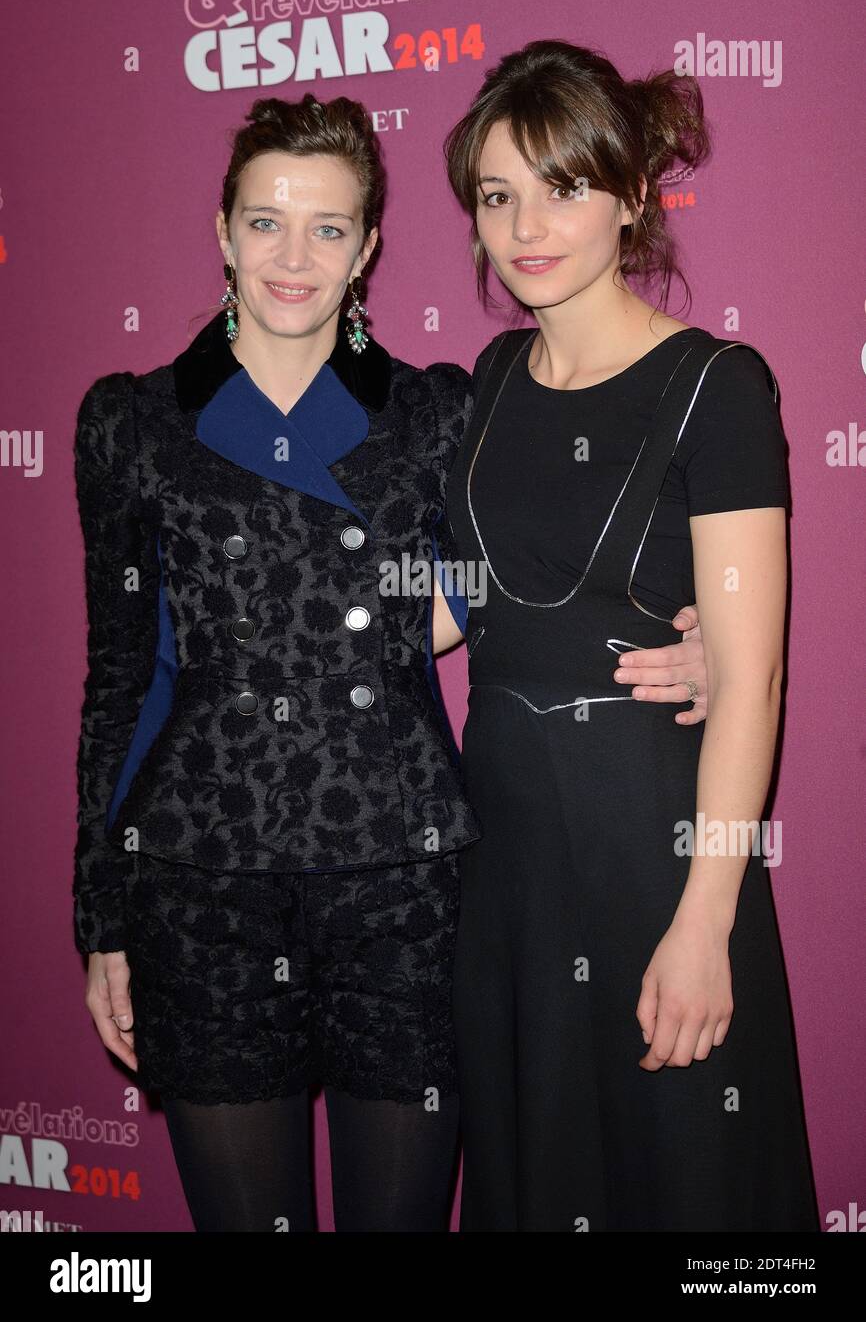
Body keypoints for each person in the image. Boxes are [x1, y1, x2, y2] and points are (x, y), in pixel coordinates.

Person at [72, 91, 710, 1232]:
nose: (292, 255)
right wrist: (102, 914)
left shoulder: (434, 412)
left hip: (401, 883)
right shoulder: (132, 422)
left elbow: (523, 573)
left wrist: (693, 636)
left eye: (328, 227)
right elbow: (126, 670)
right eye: (265, 221)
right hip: (201, 883)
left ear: (367, 246)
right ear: (221, 231)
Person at [437, 40, 821, 1231]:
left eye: (561, 187)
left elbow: (749, 681)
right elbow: (451, 603)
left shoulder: (715, 387)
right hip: (507, 878)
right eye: (497, 195)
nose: (525, 227)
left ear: (631, 196)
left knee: (685, 1190)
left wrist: (705, 918)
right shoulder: (489, 377)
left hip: (654, 863)